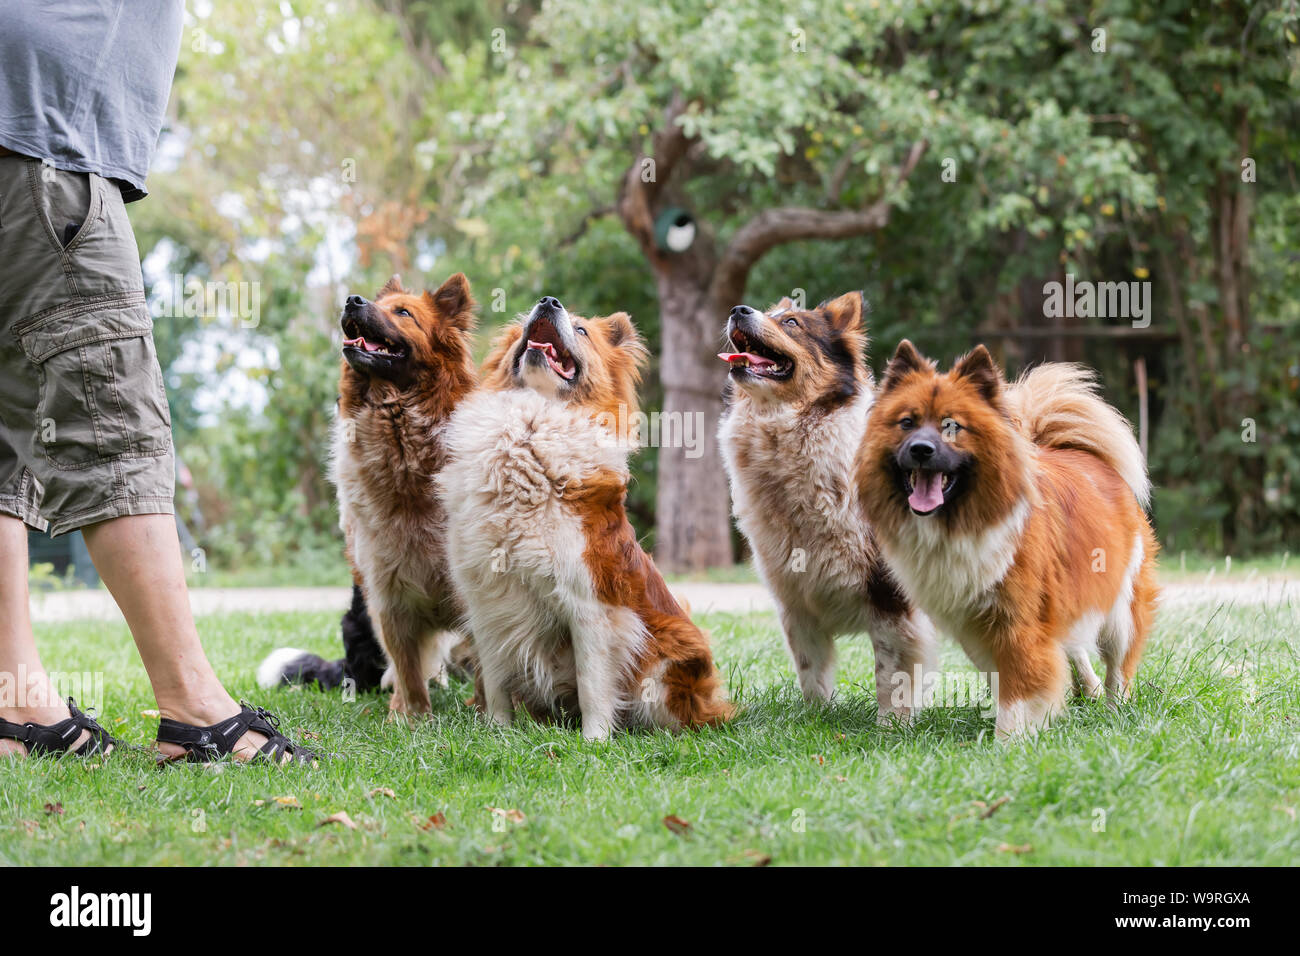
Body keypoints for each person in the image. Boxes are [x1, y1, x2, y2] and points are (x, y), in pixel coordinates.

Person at [0, 1, 315, 762]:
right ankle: (193, 708)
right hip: (48, 138)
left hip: (22, 126)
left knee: (6, 445)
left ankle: (15, 702)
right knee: (114, 422)